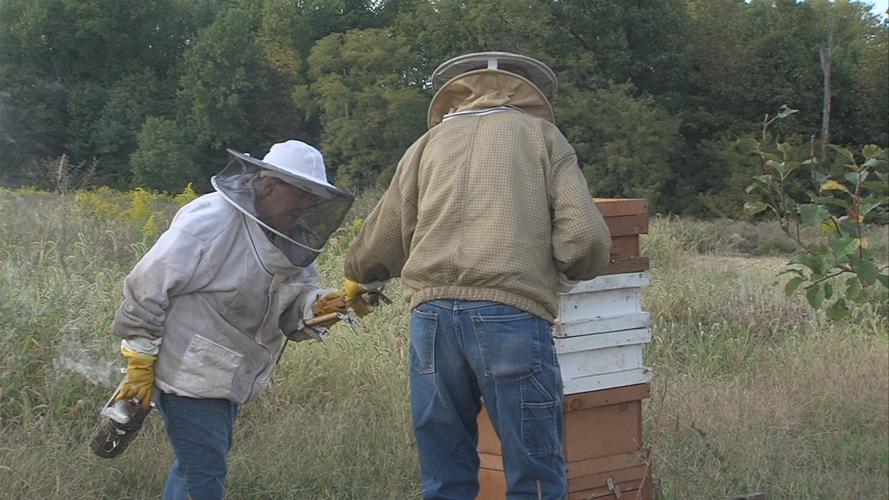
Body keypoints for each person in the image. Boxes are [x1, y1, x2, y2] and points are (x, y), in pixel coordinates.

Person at [343, 52, 612, 499]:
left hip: (430, 321)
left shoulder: (426, 145)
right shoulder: (543, 137)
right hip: (511, 314)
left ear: (457, 92)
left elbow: (375, 248)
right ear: (528, 91)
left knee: (445, 470)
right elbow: (584, 240)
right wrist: (567, 271)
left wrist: (360, 272)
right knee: (535, 473)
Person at [112, 140, 355, 500]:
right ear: (268, 185)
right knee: (204, 475)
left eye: (313, 198)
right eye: (302, 193)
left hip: (225, 376)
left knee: (196, 466)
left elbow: (291, 311)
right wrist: (140, 360)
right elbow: (147, 285)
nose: (307, 206)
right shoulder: (211, 220)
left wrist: (320, 308)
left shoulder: (293, 238)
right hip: (187, 372)